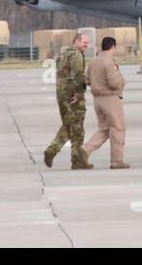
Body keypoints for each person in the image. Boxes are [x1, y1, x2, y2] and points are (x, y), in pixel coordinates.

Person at [44, 32, 92, 169]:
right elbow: (77, 76)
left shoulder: (63, 54)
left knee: (69, 124)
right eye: (84, 42)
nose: (86, 45)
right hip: (72, 95)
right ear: (76, 41)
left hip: (62, 94)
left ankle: (71, 158)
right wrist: (78, 94)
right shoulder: (76, 55)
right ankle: (71, 158)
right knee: (77, 127)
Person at [82, 36, 129, 169]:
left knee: (104, 129)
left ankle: (85, 151)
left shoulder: (94, 61)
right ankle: (117, 161)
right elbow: (114, 83)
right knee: (118, 128)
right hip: (110, 99)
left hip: (97, 100)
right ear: (113, 47)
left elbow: (86, 80)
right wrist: (122, 82)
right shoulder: (109, 63)